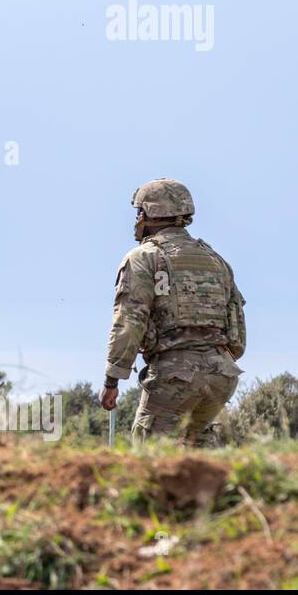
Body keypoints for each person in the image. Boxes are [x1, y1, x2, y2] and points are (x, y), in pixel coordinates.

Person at [98, 178, 246, 445]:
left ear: (152, 213)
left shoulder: (143, 257)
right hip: (221, 374)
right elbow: (236, 325)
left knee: (151, 456)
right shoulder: (215, 259)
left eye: (139, 211)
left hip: (175, 374)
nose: (137, 218)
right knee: (201, 458)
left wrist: (112, 380)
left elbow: (129, 322)